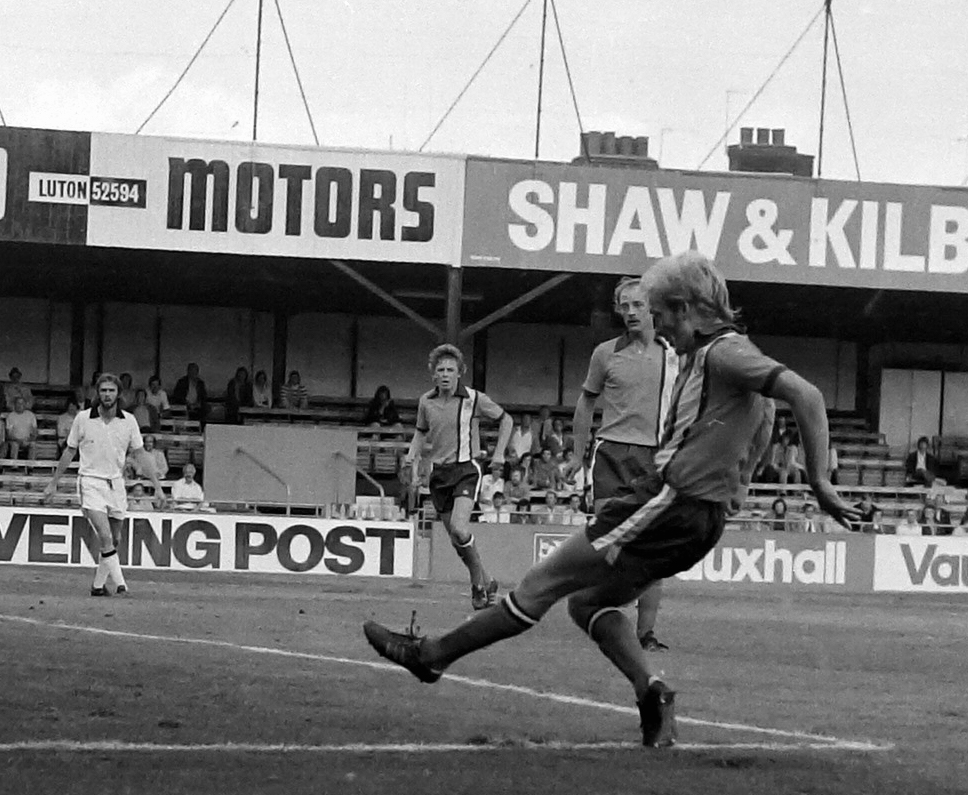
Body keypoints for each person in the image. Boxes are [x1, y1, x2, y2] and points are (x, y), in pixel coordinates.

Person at [363, 252, 859, 748]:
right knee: (587, 604)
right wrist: (739, 483)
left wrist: (820, 481)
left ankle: (431, 657)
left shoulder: (723, 353)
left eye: (661, 314)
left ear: (684, 307)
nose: (659, 327)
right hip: (698, 519)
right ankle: (653, 693)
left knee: (539, 585)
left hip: (667, 501)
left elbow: (807, 396)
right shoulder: (718, 357)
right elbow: (766, 411)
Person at [571, 276, 681, 651]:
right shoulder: (605, 353)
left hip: (654, 456)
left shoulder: (673, 354)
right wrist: (576, 453)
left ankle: (645, 634)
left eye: (638, 305)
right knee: (607, 542)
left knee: (652, 548)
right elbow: (586, 402)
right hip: (611, 455)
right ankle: (600, 615)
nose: (631, 312)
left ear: (652, 308)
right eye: (624, 305)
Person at [403, 343, 514, 610]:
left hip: (466, 469)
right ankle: (487, 582)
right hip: (439, 475)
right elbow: (420, 432)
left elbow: (506, 419)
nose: (445, 374)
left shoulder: (473, 399)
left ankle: (477, 586)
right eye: (440, 369)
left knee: (460, 528)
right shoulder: (425, 401)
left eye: (450, 369)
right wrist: (411, 457)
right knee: (456, 540)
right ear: (433, 374)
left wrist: (499, 454)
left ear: (459, 373)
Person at [44, 373, 163, 596]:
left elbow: (141, 454)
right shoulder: (83, 418)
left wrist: (157, 486)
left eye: (111, 390)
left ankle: (98, 586)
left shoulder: (128, 421)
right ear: (97, 393)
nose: (107, 395)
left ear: (118, 393)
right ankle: (122, 585)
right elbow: (70, 450)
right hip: (90, 481)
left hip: (116, 483)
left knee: (114, 539)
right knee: (105, 535)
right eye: (103, 390)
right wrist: (54, 482)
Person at [4, 395, 39, 460]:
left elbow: (35, 431)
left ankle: (30, 466)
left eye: (22, 403)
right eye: (18, 403)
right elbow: (9, 434)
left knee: (33, 444)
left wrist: (30, 439)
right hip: (15, 440)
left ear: (25, 404)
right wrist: (17, 440)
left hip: (27, 440)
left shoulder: (31, 415)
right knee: (14, 445)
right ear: (15, 404)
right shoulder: (10, 416)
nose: (20, 405)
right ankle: (14, 466)